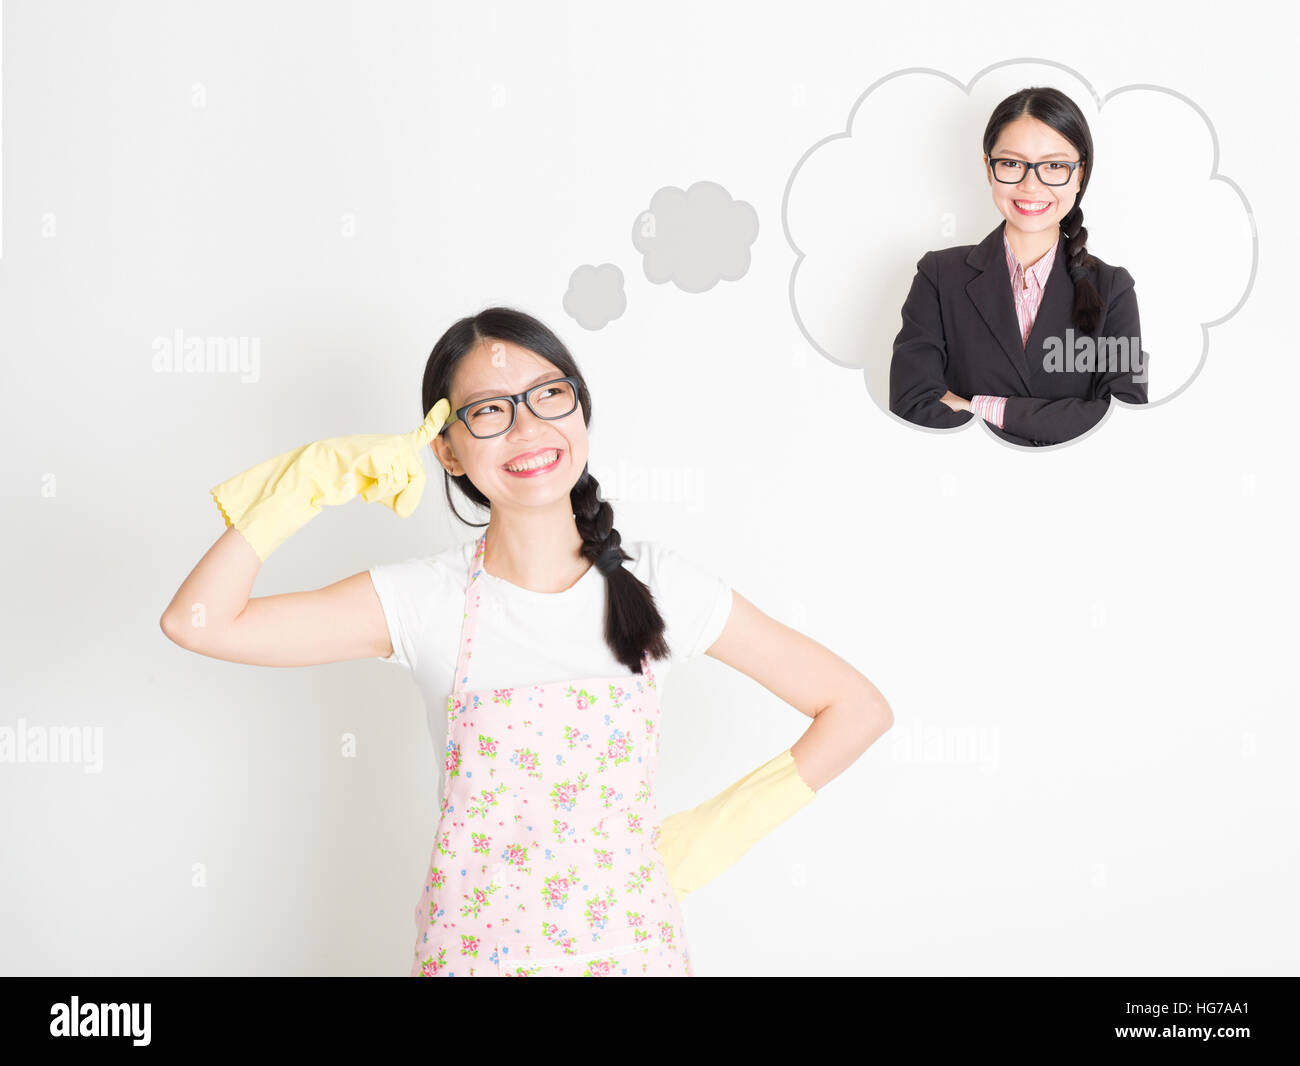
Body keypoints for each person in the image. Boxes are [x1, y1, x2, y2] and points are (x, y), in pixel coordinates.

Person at [161, 306, 893, 977]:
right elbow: (198, 623)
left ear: (580, 409)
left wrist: (706, 838)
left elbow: (855, 707)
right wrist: (307, 485)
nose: (527, 428)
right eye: (488, 412)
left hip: (632, 953)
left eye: (549, 395)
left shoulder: (664, 587)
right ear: (446, 451)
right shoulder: (423, 601)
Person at [889, 86, 1149, 447]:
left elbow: (1124, 418)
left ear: (1079, 174)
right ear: (989, 169)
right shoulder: (938, 276)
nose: (1031, 185)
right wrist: (1058, 420)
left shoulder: (1113, 288)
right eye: (1012, 163)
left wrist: (978, 406)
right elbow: (913, 406)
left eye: (1054, 166)